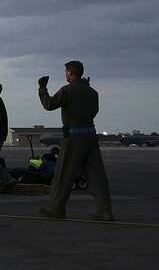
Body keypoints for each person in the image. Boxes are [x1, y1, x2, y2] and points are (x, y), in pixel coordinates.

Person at [38, 60, 113, 221]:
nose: (65, 74)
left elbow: (49, 104)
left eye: (66, 71)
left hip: (74, 137)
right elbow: (94, 111)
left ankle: (56, 208)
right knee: (97, 175)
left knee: (63, 174)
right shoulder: (92, 92)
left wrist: (42, 89)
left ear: (71, 72)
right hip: (90, 135)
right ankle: (105, 210)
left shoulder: (67, 90)